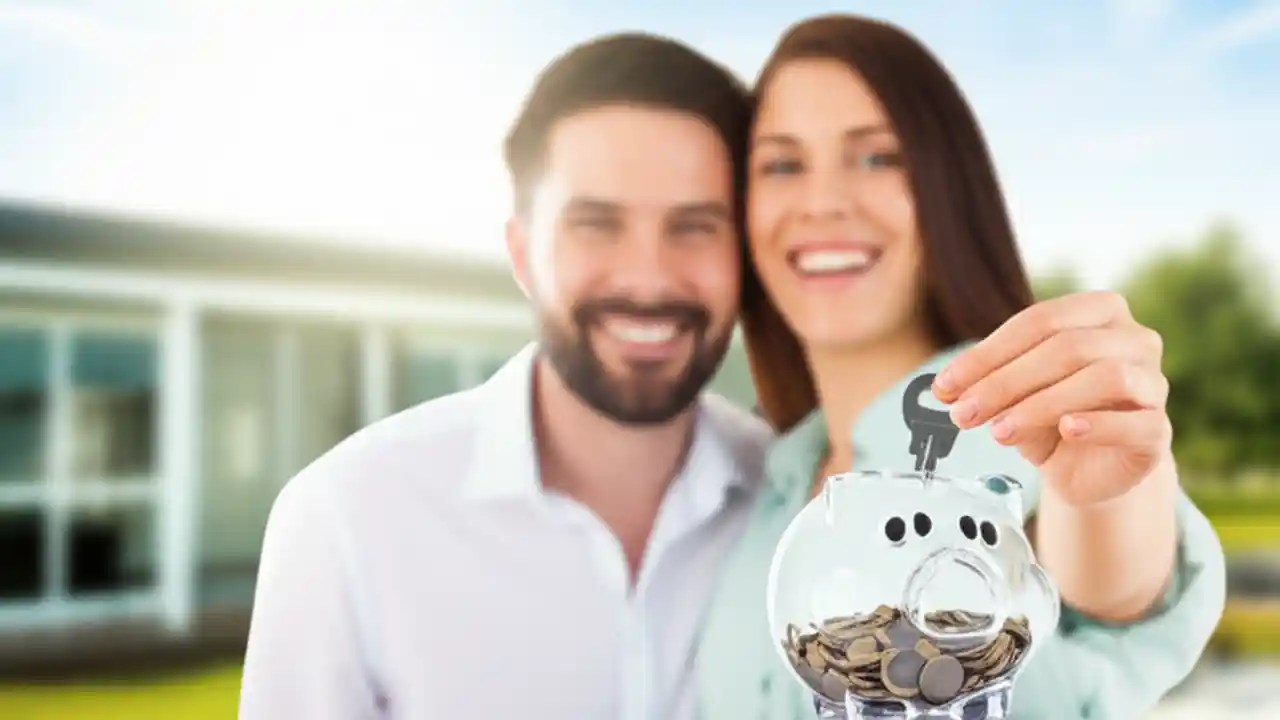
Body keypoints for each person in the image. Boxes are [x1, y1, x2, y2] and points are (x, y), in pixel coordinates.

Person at [695, 14, 1226, 720]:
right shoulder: (763, 480)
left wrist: (1107, 492)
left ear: (948, 185)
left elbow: (1112, 594)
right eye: (783, 165)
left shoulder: (1020, 423)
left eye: (878, 157)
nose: (822, 202)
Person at [238, 34, 773, 719]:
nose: (648, 277)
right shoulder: (345, 519)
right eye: (596, 225)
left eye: (695, 227)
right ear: (523, 255)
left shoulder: (801, 503)